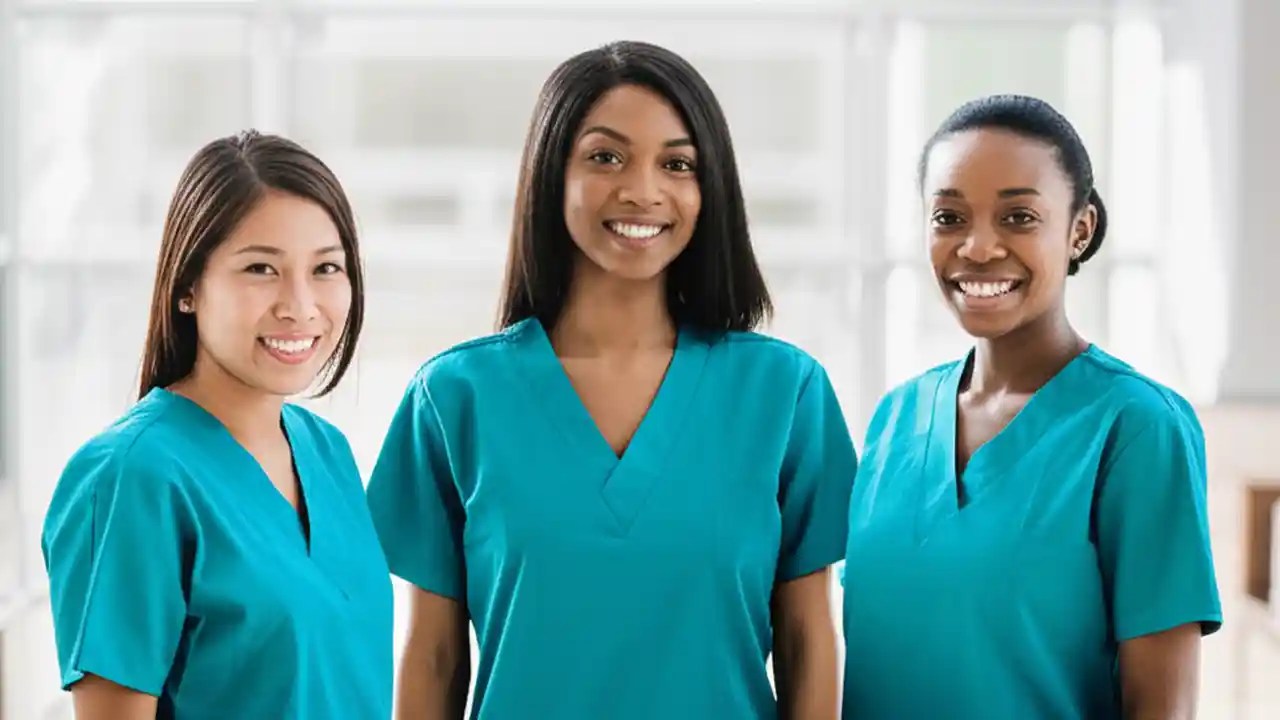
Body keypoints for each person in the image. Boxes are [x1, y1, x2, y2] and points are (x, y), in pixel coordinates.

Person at [366, 41, 856, 719]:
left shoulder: (784, 393)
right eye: (606, 157)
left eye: (677, 164)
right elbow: (432, 657)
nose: (642, 191)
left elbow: (809, 638)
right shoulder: (455, 397)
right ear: (551, 174)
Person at [841, 94, 1222, 719]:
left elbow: (1163, 707)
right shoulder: (894, 419)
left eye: (1018, 217)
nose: (977, 247)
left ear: (1080, 230)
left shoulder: (1137, 427)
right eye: (948, 217)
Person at [42, 131, 392, 719]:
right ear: (188, 288)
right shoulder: (132, 476)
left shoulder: (327, 452)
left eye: (326, 268)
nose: (299, 305)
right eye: (261, 268)